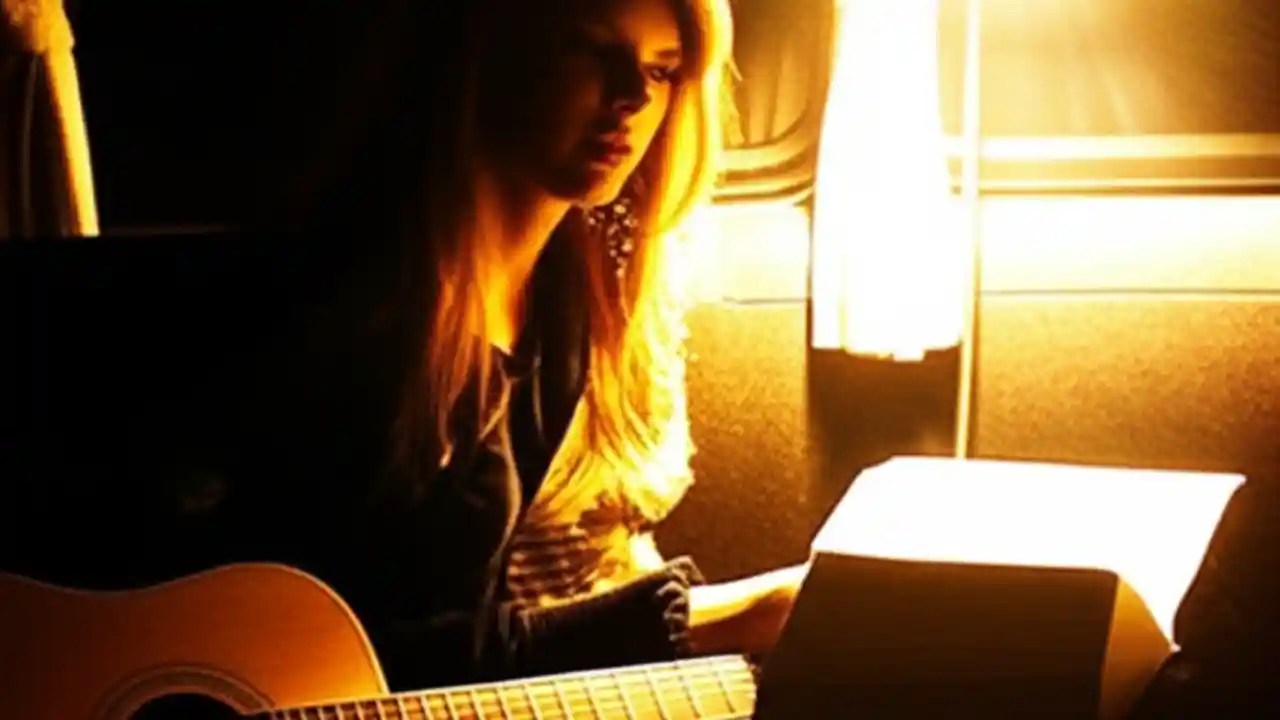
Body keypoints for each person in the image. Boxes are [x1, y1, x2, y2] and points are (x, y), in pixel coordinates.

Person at [0, 0, 807, 694]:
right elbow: (381, 649)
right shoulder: (363, 315)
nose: (633, 97)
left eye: (663, 71)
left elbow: (473, 626)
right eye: (594, 52)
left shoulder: (568, 306)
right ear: (494, 50)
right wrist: (721, 616)